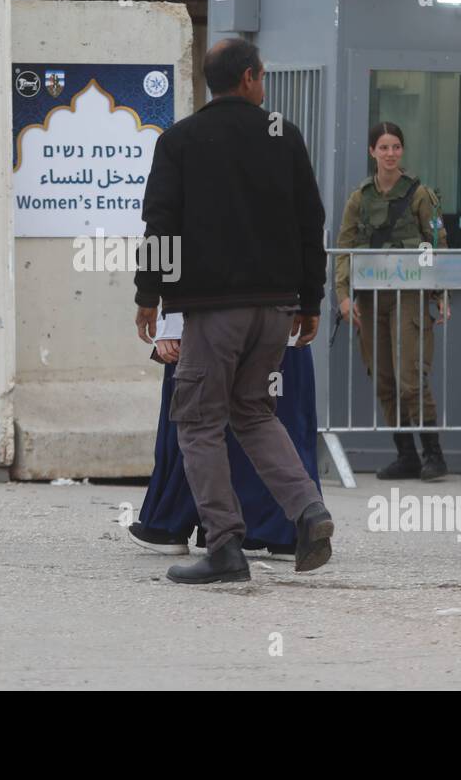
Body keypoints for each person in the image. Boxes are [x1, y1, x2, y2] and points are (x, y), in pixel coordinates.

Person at [133, 37, 334, 585]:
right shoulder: (283, 137)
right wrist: (311, 300)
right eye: (262, 75)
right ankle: (308, 510)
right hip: (274, 309)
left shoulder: (181, 140)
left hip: (212, 311)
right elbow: (309, 224)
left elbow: (161, 224)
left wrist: (148, 294)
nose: (263, 83)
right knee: (253, 412)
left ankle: (224, 544)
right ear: (248, 78)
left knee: (198, 420)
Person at [127, 314, 322, 560]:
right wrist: (309, 304)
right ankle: (296, 525)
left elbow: (178, 274)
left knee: (197, 424)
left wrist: (169, 324)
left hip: (213, 322)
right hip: (281, 322)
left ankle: (178, 525)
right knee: (276, 422)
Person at [334, 122, 450, 480]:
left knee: (410, 375)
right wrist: (342, 295)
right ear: (372, 152)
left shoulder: (419, 194)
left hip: (410, 294)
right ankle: (407, 455)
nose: (390, 154)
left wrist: (440, 294)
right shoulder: (360, 198)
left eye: (396, 147)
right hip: (371, 299)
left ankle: (434, 455)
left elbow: (437, 245)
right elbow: (344, 247)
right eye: (383, 147)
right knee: (383, 377)